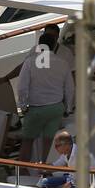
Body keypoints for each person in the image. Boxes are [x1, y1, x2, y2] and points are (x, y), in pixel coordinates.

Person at [18, 28, 73, 169]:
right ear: (54, 45)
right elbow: (69, 88)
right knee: (49, 141)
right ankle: (44, 169)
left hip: (36, 108)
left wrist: (23, 106)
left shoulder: (30, 62)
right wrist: (68, 108)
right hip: (56, 108)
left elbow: (22, 87)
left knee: (27, 141)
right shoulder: (63, 63)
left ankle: (22, 171)